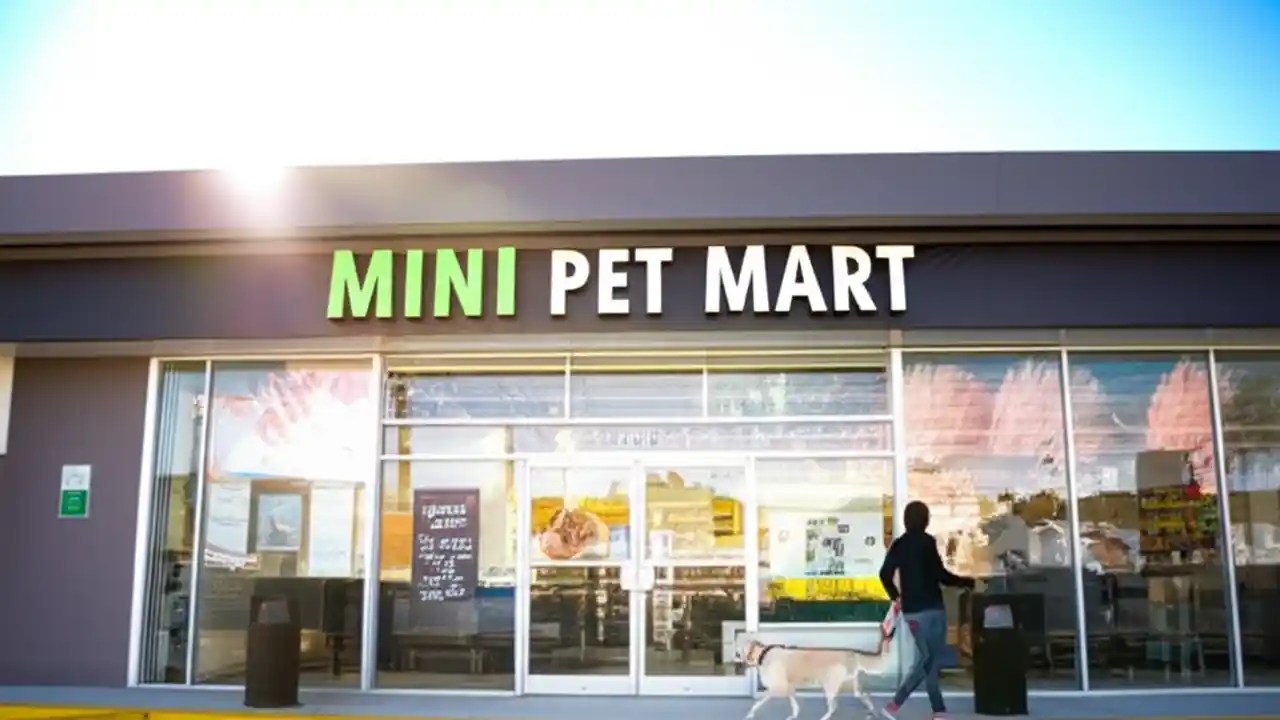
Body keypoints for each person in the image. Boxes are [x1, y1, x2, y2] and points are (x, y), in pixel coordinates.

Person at [878, 501, 975, 720]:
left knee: (927, 658)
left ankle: (938, 710)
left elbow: (884, 574)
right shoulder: (927, 542)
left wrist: (896, 597)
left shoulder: (899, 545)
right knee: (929, 660)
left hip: (912, 612)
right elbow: (941, 575)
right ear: (925, 519)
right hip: (933, 608)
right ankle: (896, 704)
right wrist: (966, 582)